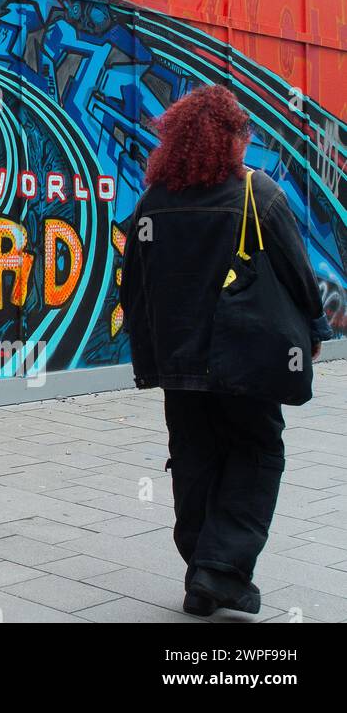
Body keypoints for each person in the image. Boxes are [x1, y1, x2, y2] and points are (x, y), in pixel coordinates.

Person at [120, 84, 331, 616]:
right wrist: (314, 332)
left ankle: (202, 573)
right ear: (233, 138)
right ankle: (220, 569)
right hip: (246, 360)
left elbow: (133, 286)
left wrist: (148, 355)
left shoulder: (152, 203)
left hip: (180, 364)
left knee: (194, 459)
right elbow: (300, 276)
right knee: (256, 453)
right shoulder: (260, 194)